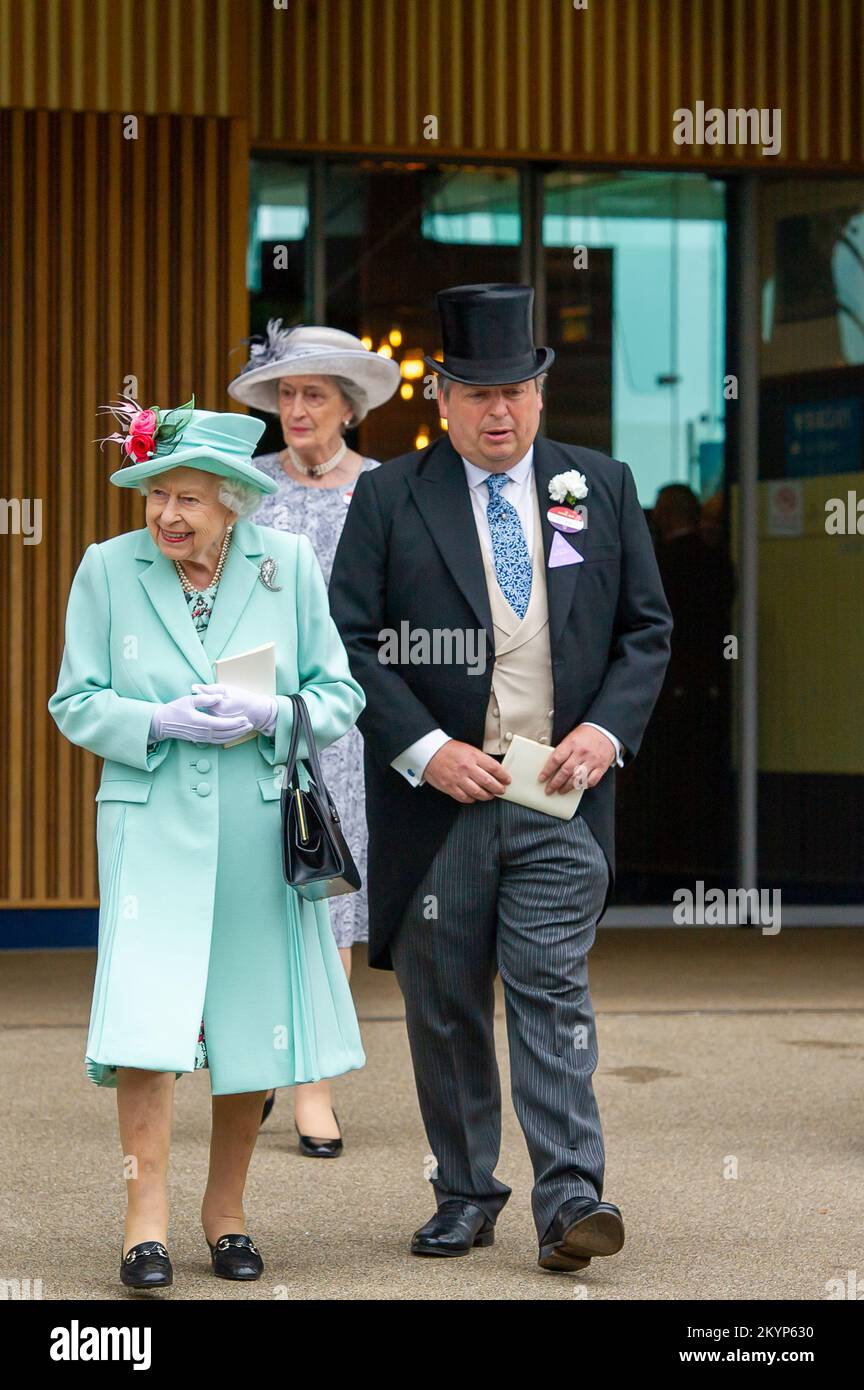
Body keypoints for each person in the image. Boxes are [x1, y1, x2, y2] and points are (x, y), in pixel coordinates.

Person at [329, 284, 672, 1273]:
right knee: (444, 1005)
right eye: (478, 391)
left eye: (517, 389)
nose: (499, 411)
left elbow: (646, 629)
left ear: (540, 391)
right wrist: (425, 746)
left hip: (561, 800)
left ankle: (570, 1199)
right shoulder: (390, 495)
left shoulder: (594, 486)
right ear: (439, 394)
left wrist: (608, 729)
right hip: (438, 808)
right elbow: (348, 641)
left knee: (550, 992)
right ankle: (466, 1190)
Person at [48, 401, 365, 1289]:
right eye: (156, 495)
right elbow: (75, 702)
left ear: (235, 501)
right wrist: (155, 718)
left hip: (257, 827)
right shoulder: (108, 569)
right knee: (150, 1030)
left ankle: (224, 1214)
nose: (167, 515)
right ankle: (141, 1224)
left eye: (188, 497)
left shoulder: (288, 566)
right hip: (149, 826)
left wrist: (275, 714)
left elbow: (338, 695)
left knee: (247, 1029)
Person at [227, 322, 399, 1154]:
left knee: (327, 900)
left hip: (342, 718)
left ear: (348, 406)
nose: (297, 409)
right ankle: (253, 1069)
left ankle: (314, 1087)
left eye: (315, 395)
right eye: (287, 394)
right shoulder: (244, 486)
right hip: (254, 706)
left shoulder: (384, 490)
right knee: (255, 899)